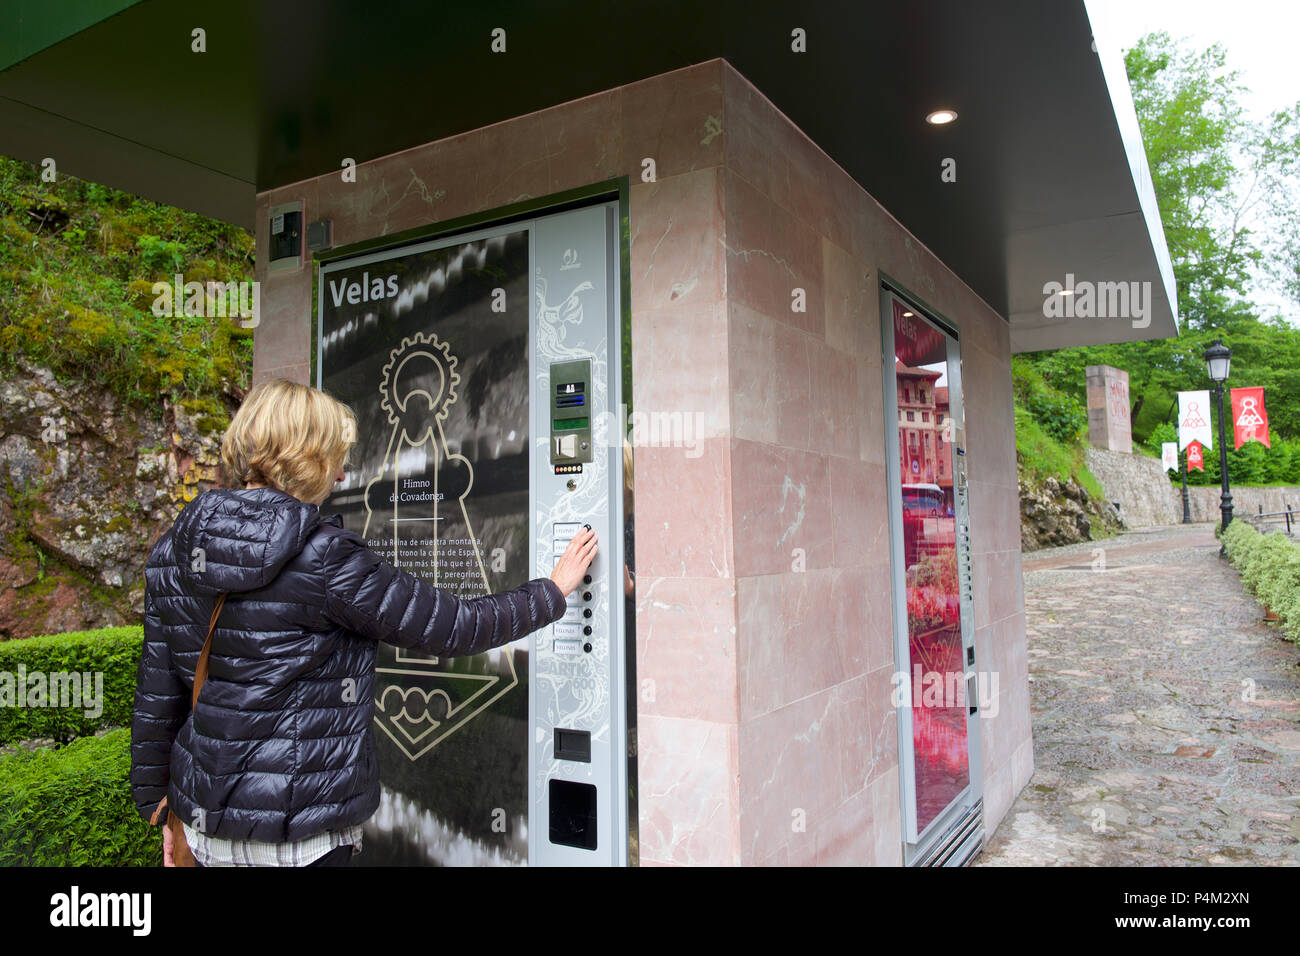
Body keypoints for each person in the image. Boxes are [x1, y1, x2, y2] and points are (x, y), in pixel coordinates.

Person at [129, 378, 596, 866]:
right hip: (302, 838)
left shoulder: (172, 552)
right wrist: (554, 590)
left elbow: (158, 695)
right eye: (335, 458)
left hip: (207, 834)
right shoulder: (323, 558)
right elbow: (454, 626)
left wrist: (164, 809)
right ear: (306, 457)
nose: (342, 475)